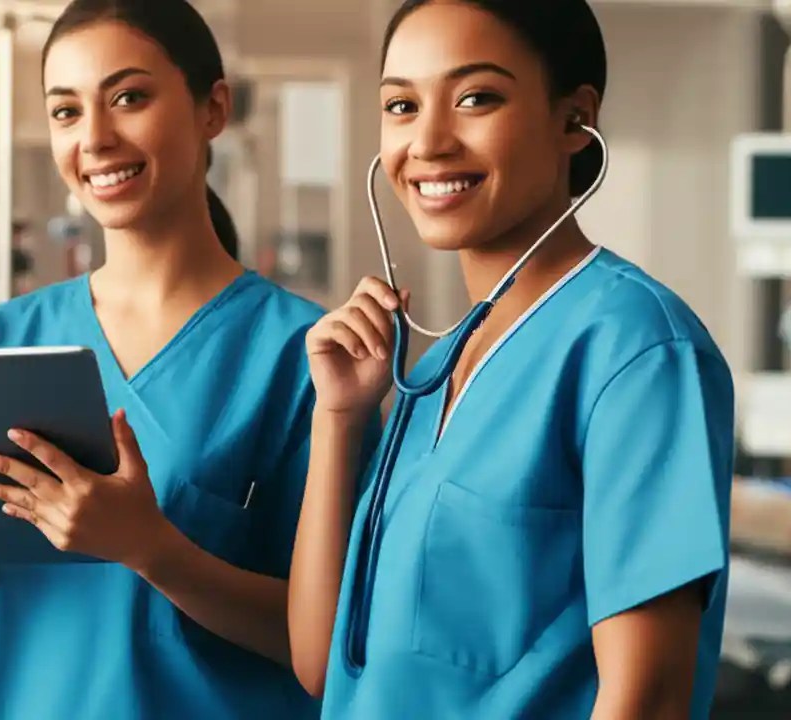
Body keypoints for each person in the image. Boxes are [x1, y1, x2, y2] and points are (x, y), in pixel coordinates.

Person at [0, 1, 327, 718]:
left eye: (129, 98)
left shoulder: (305, 356)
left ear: (213, 109)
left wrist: (152, 548)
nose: (96, 138)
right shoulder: (0, 342)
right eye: (66, 112)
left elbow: (326, 648)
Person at [287, 1, 735, 719]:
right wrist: (338, 419)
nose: (428, 142)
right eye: (402, 105)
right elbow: (322, 665)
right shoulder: (428, 374)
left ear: (573, 120)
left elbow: (647, 697)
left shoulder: (636, 350)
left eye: (476, 98)